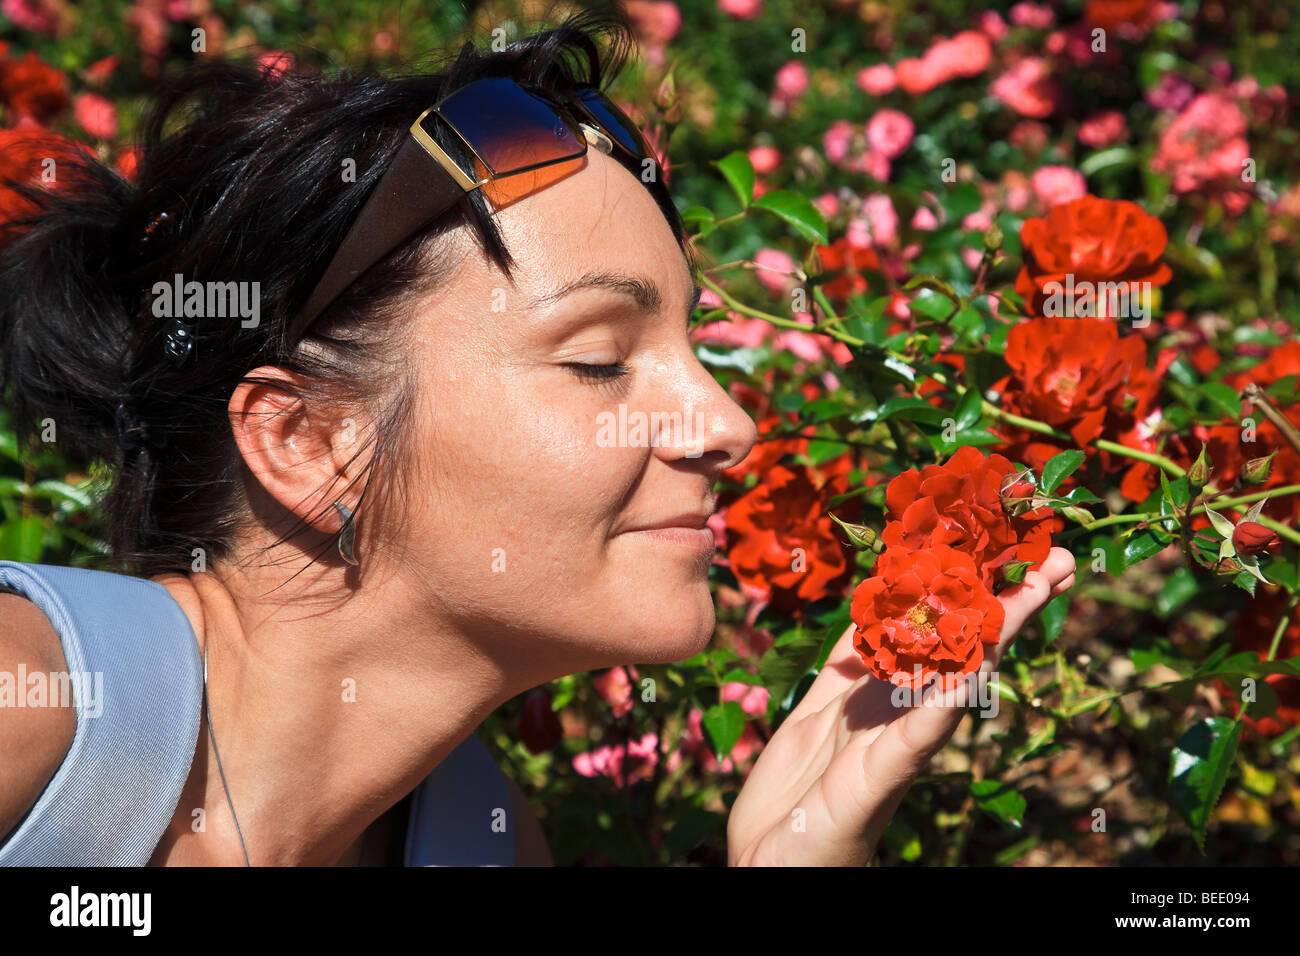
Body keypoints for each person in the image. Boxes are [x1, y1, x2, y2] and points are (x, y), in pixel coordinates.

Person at [0, 10, 1074, 866]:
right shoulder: (27, 708)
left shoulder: (477, 840)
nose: (728, 423)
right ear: (309, 441)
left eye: (691, 342)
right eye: (600, 358)